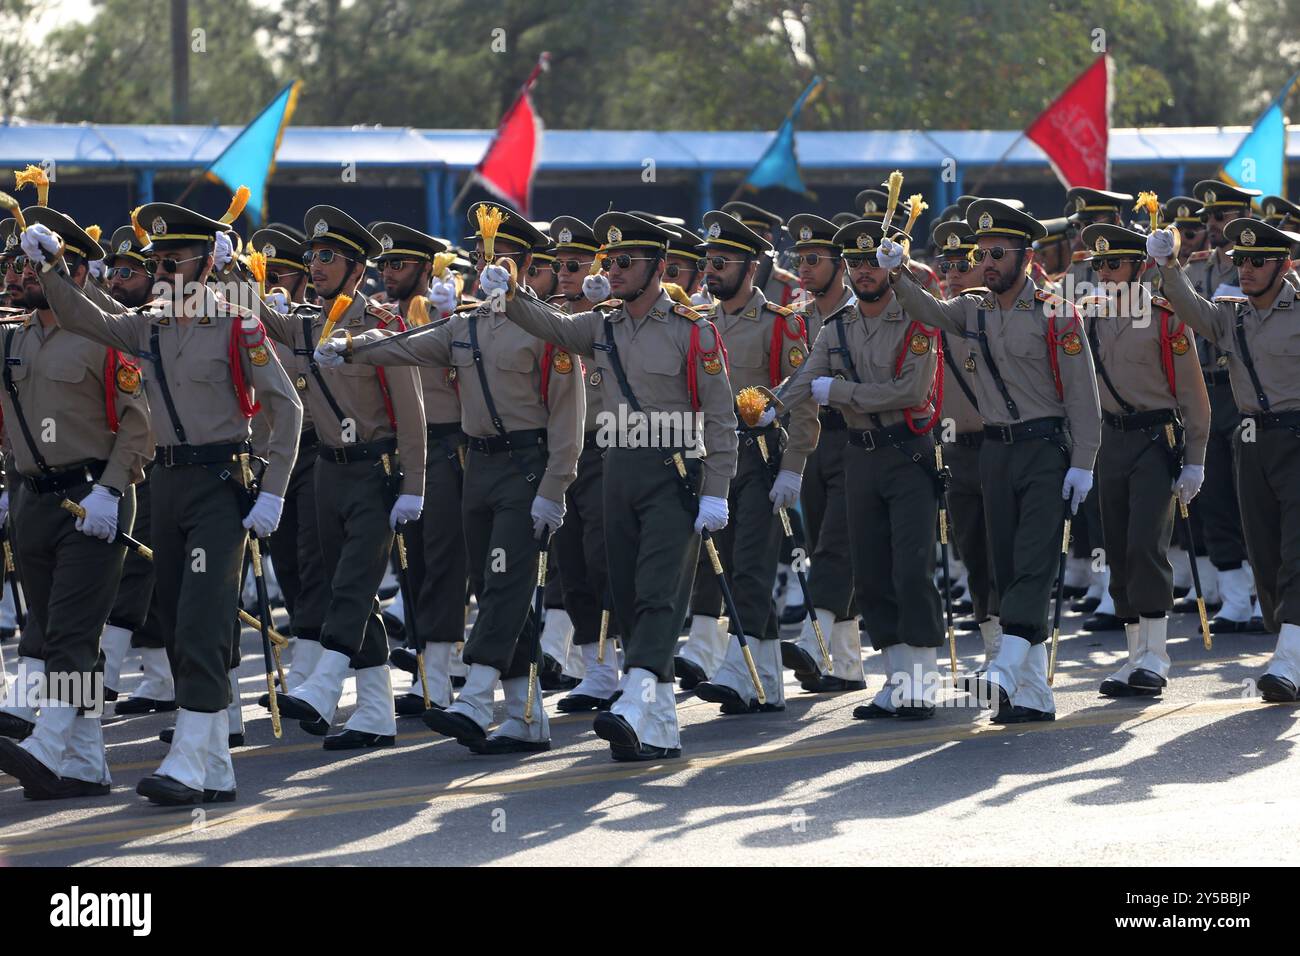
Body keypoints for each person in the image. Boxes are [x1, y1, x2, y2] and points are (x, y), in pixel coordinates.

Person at [28, 199, 302, 805]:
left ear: (206, 262)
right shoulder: (148, 324)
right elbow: (82, 316)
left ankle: (186, 761)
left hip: (218, 485)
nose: (162, 269)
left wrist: (275, 489)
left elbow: (287, 405)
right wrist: (49, 268)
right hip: (166, 484)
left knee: (204, 618)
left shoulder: (238, 323)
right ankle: (217, 769)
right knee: (178, 620)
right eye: (157, 260)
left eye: (174, 259)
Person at [318, 204, 583, 755]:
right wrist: (347, 348)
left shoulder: (549, 329)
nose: (489, 269)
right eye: (484, 257)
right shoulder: (465, 324)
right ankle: (528, 716)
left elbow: (568, 419)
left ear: (526, 266)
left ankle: (476, 694)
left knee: (507, 582)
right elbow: (405, 346)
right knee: (492, 586)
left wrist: (555, 488)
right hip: (478, 466)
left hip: (525, 466)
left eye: (503, 260)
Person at [476, 211, 737, 759]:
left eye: (625, 262)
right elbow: (548, 325)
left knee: (660, 591)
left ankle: (635, 699)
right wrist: (509, 292)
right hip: (617, 472)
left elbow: (719, 417)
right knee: (628, 593)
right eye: (608, 261)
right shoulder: (601, 326)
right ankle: (660, 726)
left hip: (674, 472)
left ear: (658, 267)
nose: (612, 270)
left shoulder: (694, 330)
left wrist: (717, 487)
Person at [880, 199, 1102, 723]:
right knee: (1004, 567)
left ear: (1026, 256)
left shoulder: (1057, 312)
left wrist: (1084, 462)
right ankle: (1033, 694)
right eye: (982, 254)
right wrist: (896, 274)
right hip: (996, 453)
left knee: (1032, 562)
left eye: (997, 253)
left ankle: (1003, 670)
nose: (986, 263)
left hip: (1045, 450)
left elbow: (1081, 394)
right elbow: (928, 311)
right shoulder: (973, 307)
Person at [251, 206, 425, 751]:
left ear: (356, 267)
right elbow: (247, 310)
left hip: (376, 471)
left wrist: (414, 484)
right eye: (311, 255)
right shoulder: (303, 323)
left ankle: (325, 685)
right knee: (341, 590)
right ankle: (376, 712)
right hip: (327, 470)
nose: (315, 264)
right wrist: (226, 266)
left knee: (353, 586)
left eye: (327, 256)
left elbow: (413, 411)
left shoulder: (381, 328)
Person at [0, 207, 149, 800]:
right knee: (52, 628)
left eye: (32, 263)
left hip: (92, 498)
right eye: (14, 263)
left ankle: (47, 740)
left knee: (68, 633)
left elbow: (140, 425)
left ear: (75, 271)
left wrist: (112, 490)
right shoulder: (15, 338)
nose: (19, 273)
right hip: (33, 501)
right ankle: (87, 764)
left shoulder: (104, 337)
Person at [780, 218, 944, 718]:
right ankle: (896, 677)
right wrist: (766, 406)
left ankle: (921, 681)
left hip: (908, 452)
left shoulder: (916, 321)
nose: (863, 272)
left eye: (872, 262)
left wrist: (844, 393)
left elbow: (911, 391)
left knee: (910, 568)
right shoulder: (838, 327)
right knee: (871, 572)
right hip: (861, 455)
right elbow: (805, 378)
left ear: (891, 266)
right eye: (854, 263)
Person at [1148, 216, 1300, 701]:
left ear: (1285, 264)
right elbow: (1189, 309)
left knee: (1297, 553)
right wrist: (1168, 265)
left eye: (1259, 261)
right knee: (1267, 549)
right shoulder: (1232, 314)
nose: (1248, 269)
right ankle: (1291, 643)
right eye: (1241, 261)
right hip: (1252, 443)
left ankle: (1289, 661)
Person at [681, 210, 815, 715]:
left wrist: (793, 467)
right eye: (708, 261)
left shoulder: (782, 325)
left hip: (760, 459)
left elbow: (803, 401)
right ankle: (759, 677)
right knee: (730, 566)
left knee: (753, 569)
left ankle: (745, 673)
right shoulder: (699, 324)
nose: (711, 270)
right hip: (714, 461)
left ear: (752, 265)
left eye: (722, 262)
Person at [1077, 222, 1209, 698]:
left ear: (1139, 266)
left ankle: (1156, 657)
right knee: (1115, 548)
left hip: (1156, 438)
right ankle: (1133, 656)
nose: (1106, 272)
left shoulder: (1165, 317)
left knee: (1145, 545)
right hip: (1109, 442)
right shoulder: (1087, 316)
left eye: (1115, 263)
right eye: (1099, 265)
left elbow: (1192, 393)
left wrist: (1194, 458)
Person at [365, 221, 467, 715]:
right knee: (412, 561)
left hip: (446, 447)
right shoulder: (383, 316)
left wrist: (455, 313)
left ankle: (442, 674)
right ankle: (432, 663)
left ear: (427, 269)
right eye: (383, 264)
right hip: (400, 449)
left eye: (399, 264)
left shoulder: (444, 311)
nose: (388, 272)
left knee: (442, 561)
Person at [777, 212, 863, 692]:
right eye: (799, 259)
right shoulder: (797, 319)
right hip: (813, 441)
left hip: (858, 436)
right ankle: (847, 665)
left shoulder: (864, 309)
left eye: (814, 259)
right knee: (825, 545)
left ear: (841, 263)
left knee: (836, 542)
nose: (804, 269)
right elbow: (798, 387)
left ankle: (815, 638)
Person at [245, 225, 329, 698]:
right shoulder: (252, 321)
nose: (273, 281)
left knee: (313, 559)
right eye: (265, 273)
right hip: (270, 456)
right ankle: (307, 657)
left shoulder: (312, 322)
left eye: (282, 274)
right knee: (288, 566)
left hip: (315, 450)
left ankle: (310, 673)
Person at [1185, 181, 1263, 633]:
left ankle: (1260, 593)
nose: (1215, 226)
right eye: (1211, 219)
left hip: (1244, 390)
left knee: (1249, 493)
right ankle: (1233, 597)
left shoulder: (1266, 266)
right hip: (1205, 388)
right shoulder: (1196, 269)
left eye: (1225, 217)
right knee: (1212, 492)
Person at [931, 219, 1002, 677]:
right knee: (974, 552)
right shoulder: (936, 319)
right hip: (956, 452)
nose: (954, 272)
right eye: (948, 264)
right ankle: (995, 649)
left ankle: (1017, 651)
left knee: (1005, 551)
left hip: (1002, 447)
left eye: (966, 263)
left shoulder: (1004, 317)